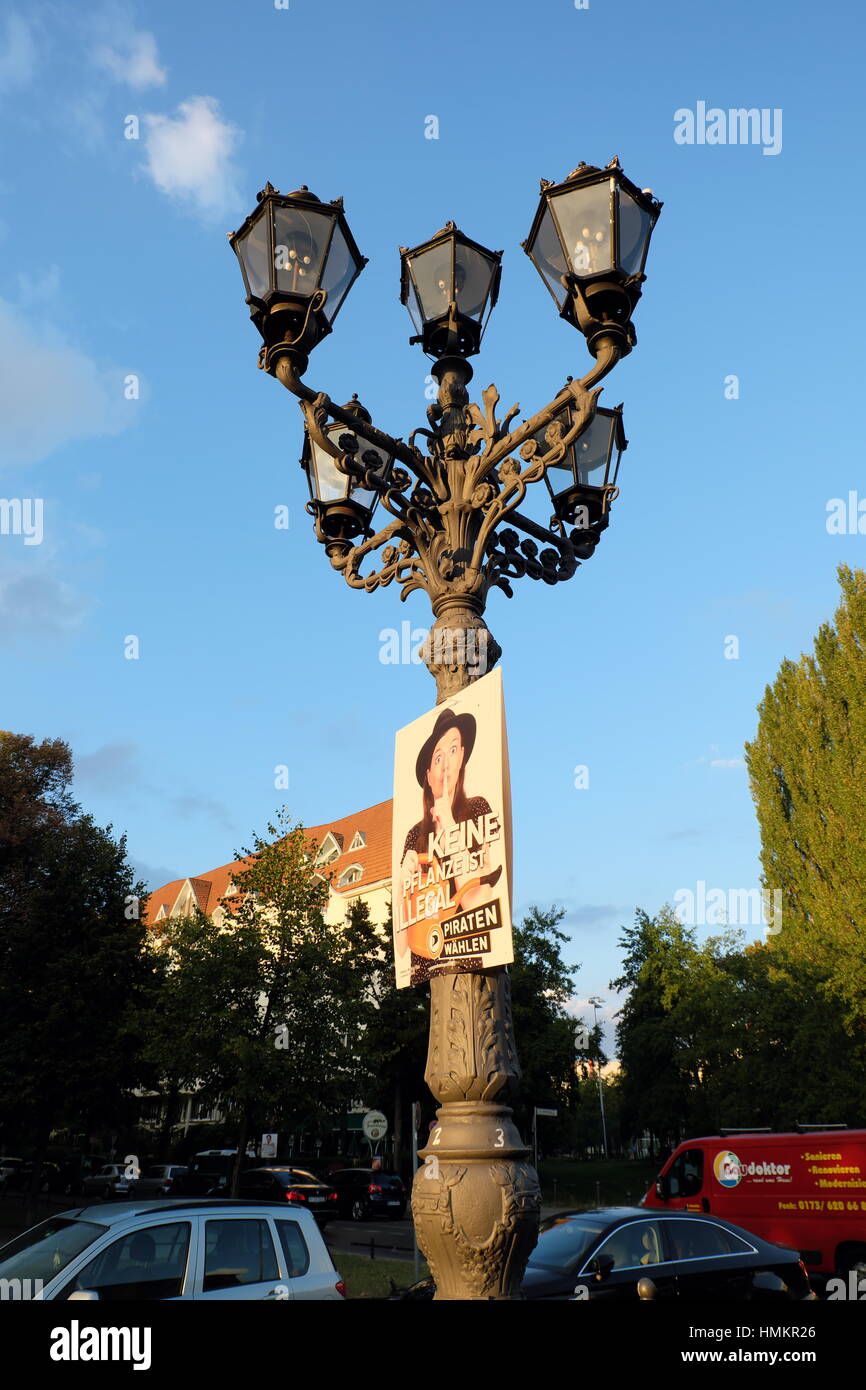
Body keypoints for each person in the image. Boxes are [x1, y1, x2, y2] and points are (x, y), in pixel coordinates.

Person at [396, 708, 500, 986]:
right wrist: (402, 886)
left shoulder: (478, 809)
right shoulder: (414, 835)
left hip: (468, 963)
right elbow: (402, 947)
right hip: (426, 970)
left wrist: (451, 827)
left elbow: (478, 903)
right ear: (428, 775)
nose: (445, 766)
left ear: (463, 757)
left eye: (453, 750)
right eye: (438, 757)